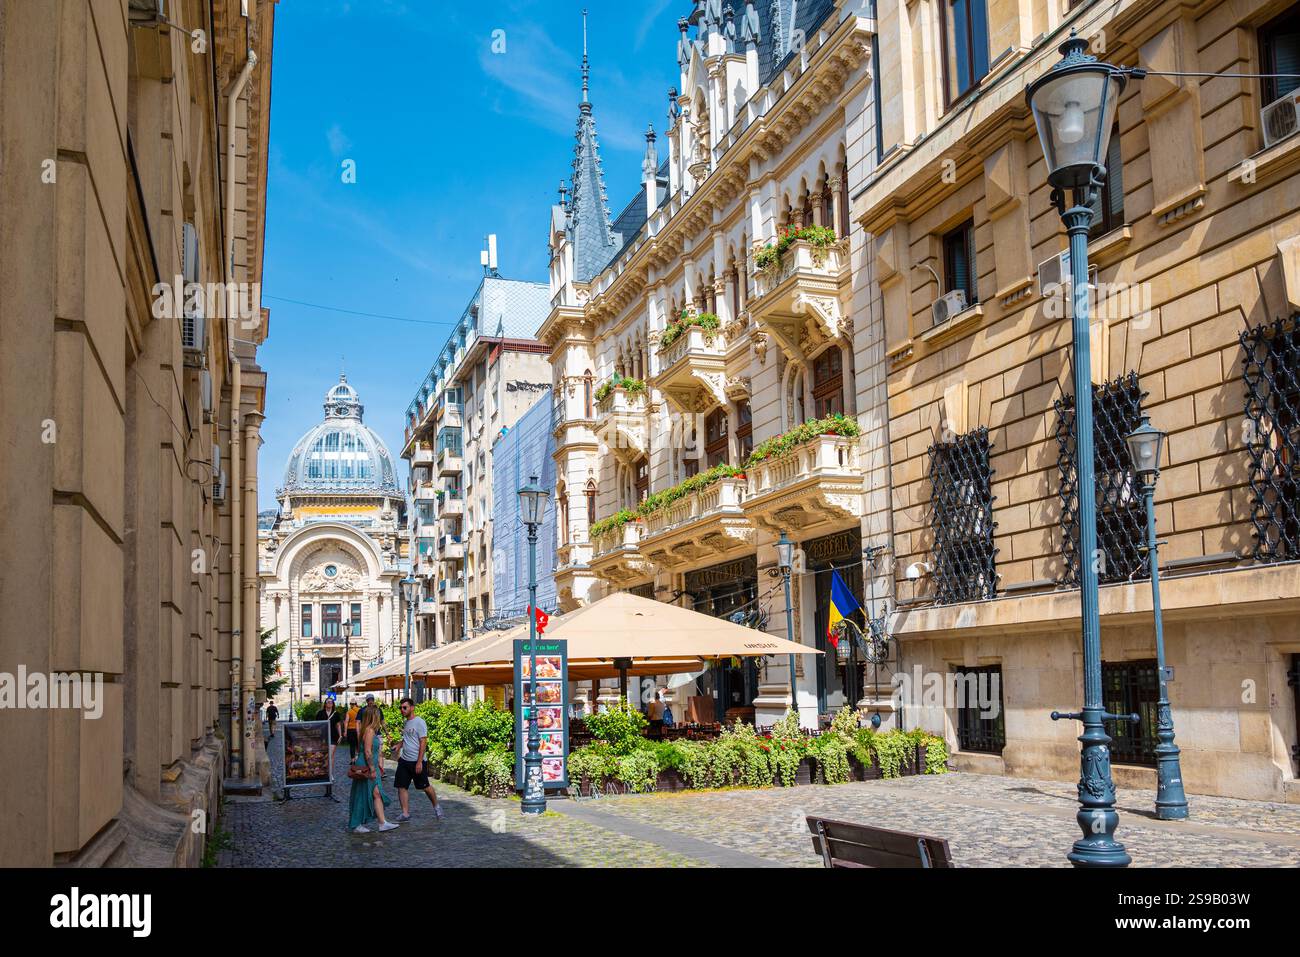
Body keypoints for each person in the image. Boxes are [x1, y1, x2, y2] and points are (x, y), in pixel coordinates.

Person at [348, 704, 397, 833]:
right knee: (362, 794)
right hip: (367, 766)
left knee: (376, 793)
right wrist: (372, 769)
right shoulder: (369, 731)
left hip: (370, 765)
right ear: (374, 716)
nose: (380, 717)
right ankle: (356, 824)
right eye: (378, 715)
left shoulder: (369, 730)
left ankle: (382, 823)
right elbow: (368, 752)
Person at [394, 697, 443, 822]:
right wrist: (398, 745)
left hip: (417, 760)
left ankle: (436, 806)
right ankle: (405, 813)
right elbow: (406, 738)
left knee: (425, 786)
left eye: (404, 707)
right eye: (401, 708)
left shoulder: (419, 722)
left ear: (412, 708)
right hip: (405, 760)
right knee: (401, 786)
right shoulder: (406, 723)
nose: (402, 710)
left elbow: (423, 742)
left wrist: (420, 761)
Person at [320, 697, 343, 768]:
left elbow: (338, 725)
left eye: (331, 702)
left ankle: (330, 774)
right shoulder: (320, 713)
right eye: (328, 702)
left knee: (331, 754)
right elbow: (317, 725)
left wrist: (340, 735)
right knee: (325, 755)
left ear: (333, 704)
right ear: (325, 704)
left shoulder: (336, 714)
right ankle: (325, 771)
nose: (330, 703)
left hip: (333, 736)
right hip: (323, 736)